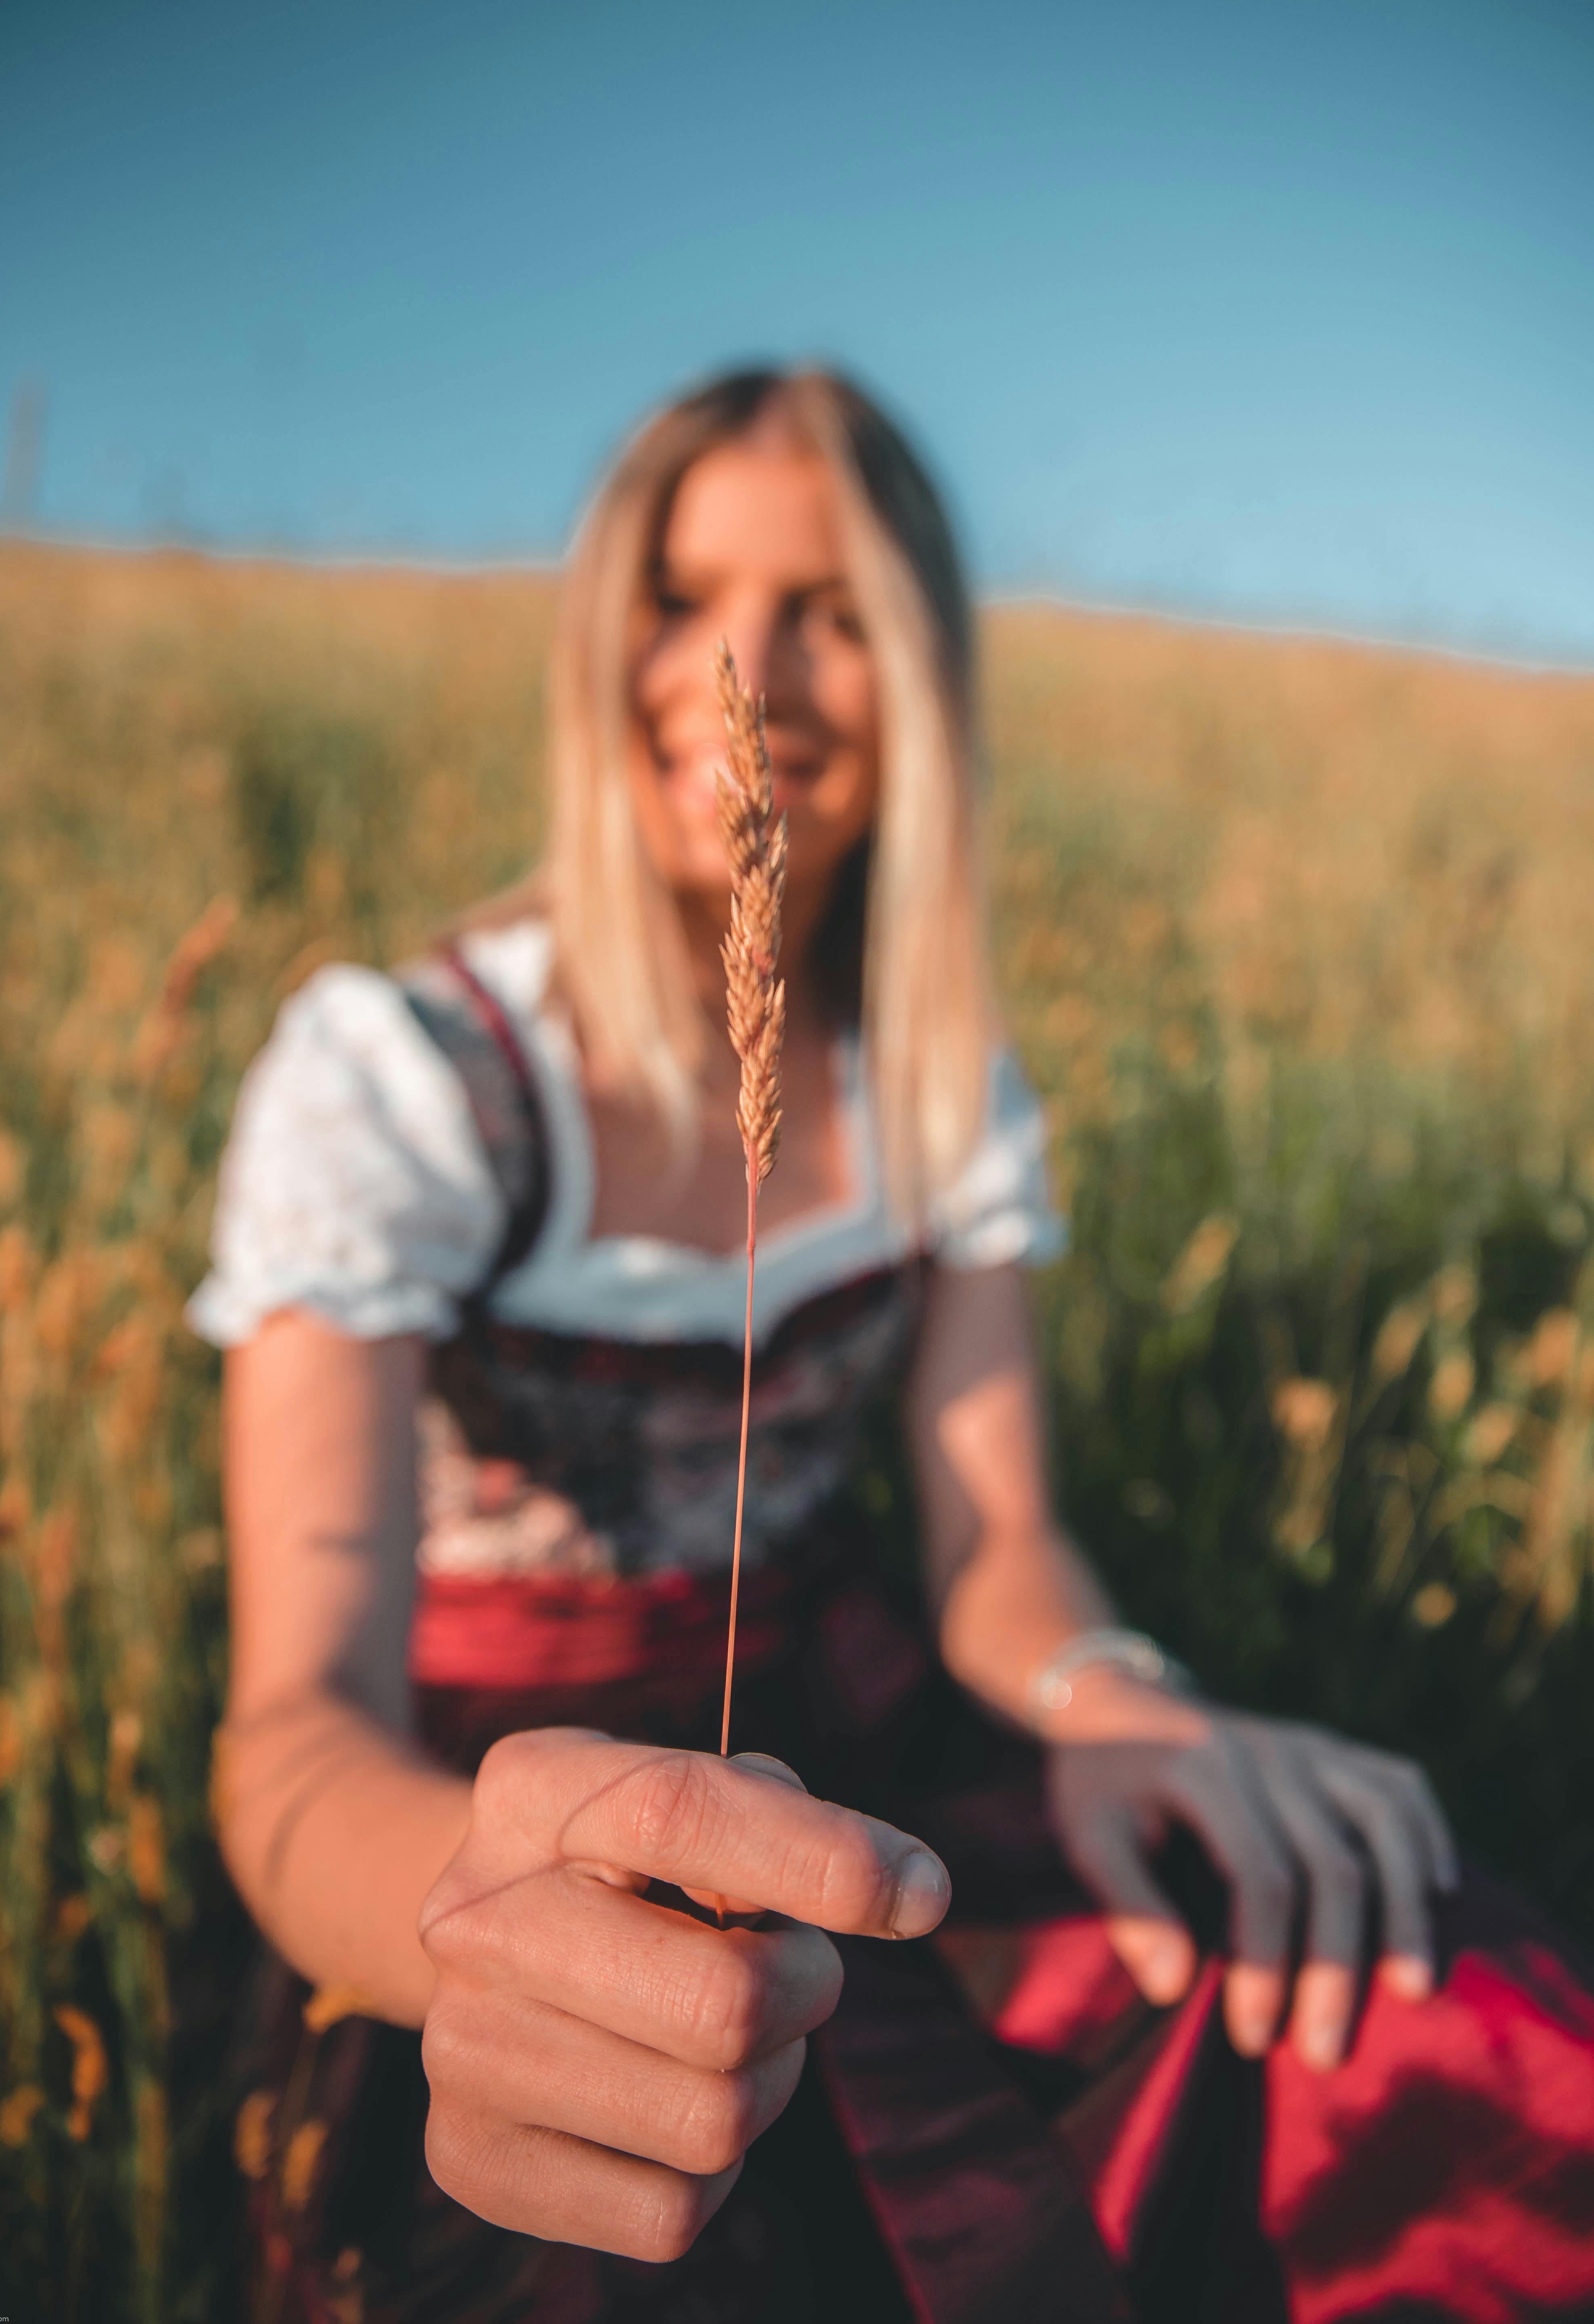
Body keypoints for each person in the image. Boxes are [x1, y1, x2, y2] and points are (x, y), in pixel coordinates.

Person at [192, 368, 1594, 2324]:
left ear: (927, 672)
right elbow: (291, 1742)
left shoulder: (940, 1086)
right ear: (602, 629)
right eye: (682, 594)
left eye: (833, 608)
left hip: (870, 1773)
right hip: (481, 1842)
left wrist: (1112, 1693)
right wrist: (480, 1924)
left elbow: (993, 1540)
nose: (739, 672)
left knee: (1410, 2000)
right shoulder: (412, 1083)